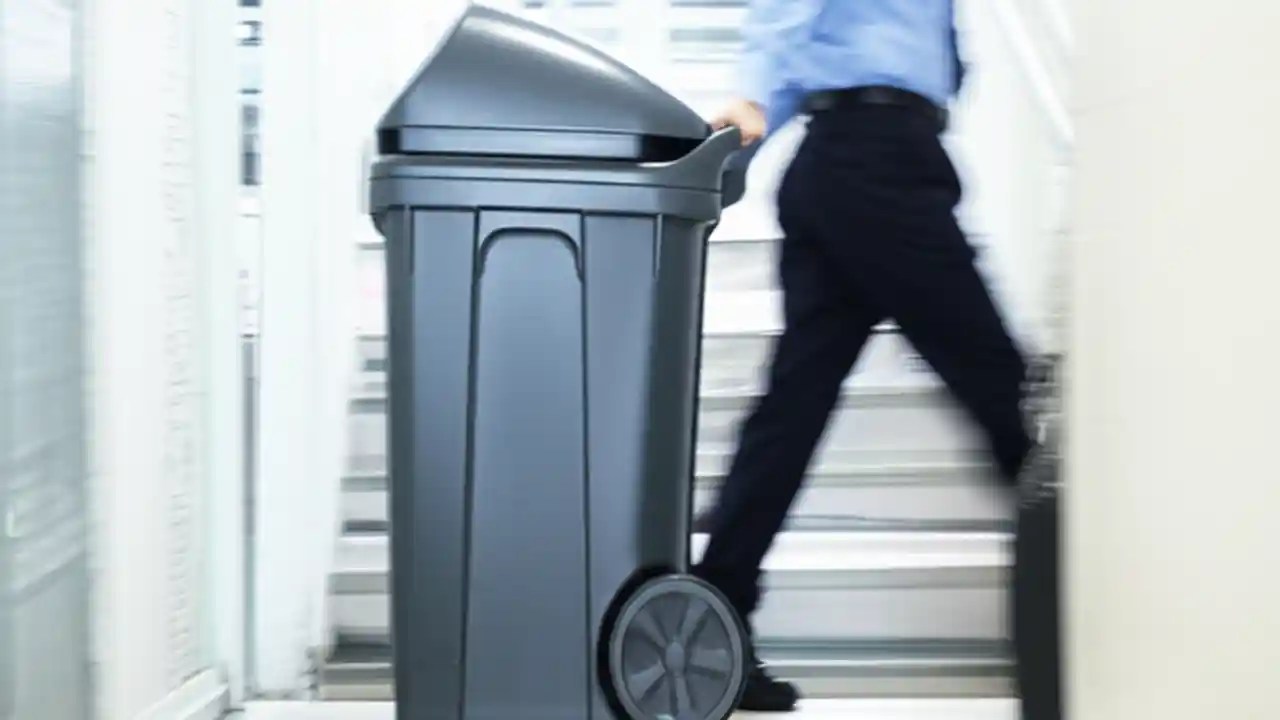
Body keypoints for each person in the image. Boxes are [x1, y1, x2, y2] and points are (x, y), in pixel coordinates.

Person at [694, 0, 1035, 713]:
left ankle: (708, 629)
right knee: (1000, 384)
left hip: (851, 162)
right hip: (875, 164)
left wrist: (755, 126)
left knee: (791, 412)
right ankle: (1076, 610)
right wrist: (750, 102)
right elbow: (784, 19)